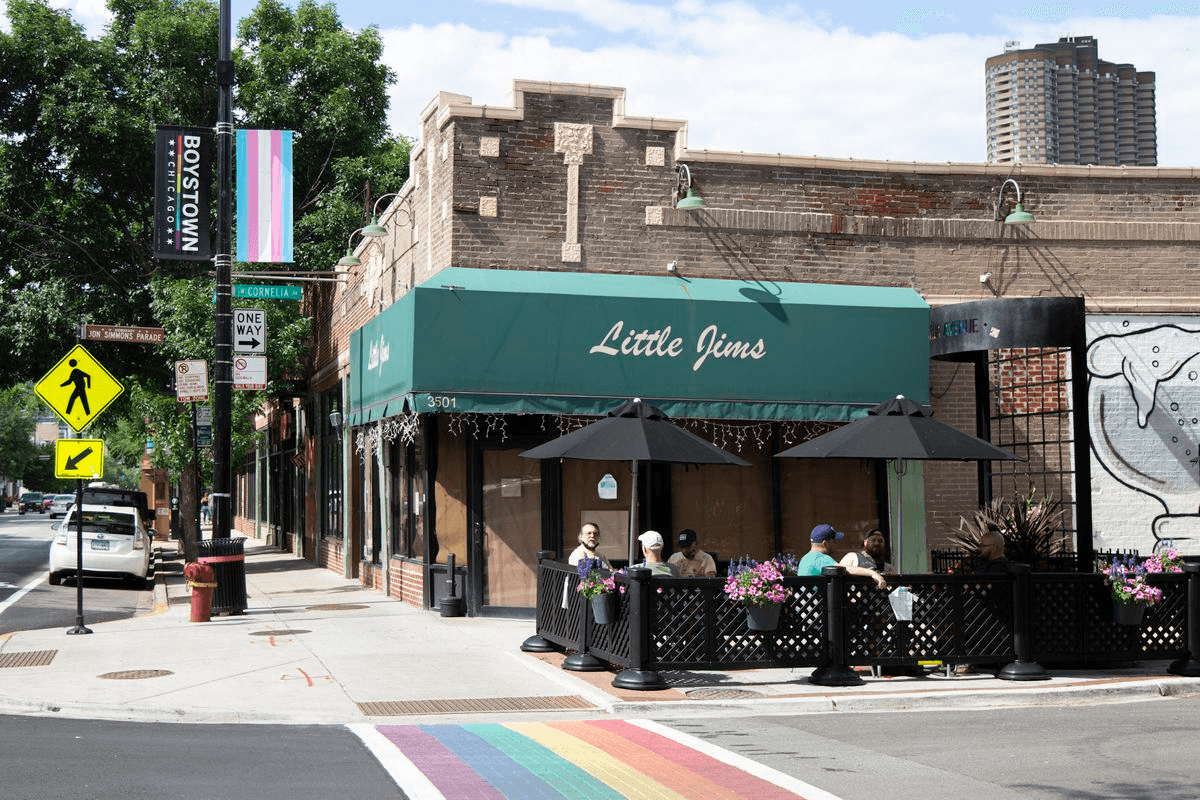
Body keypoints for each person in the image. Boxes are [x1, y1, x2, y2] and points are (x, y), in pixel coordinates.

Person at [798, 523, 888, 589]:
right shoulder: (820, 558)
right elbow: (845, 569)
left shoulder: (805, 558)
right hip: (817, 607)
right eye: (834, 541)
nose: (836, 544)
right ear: (825, 543)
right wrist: (873, 573)